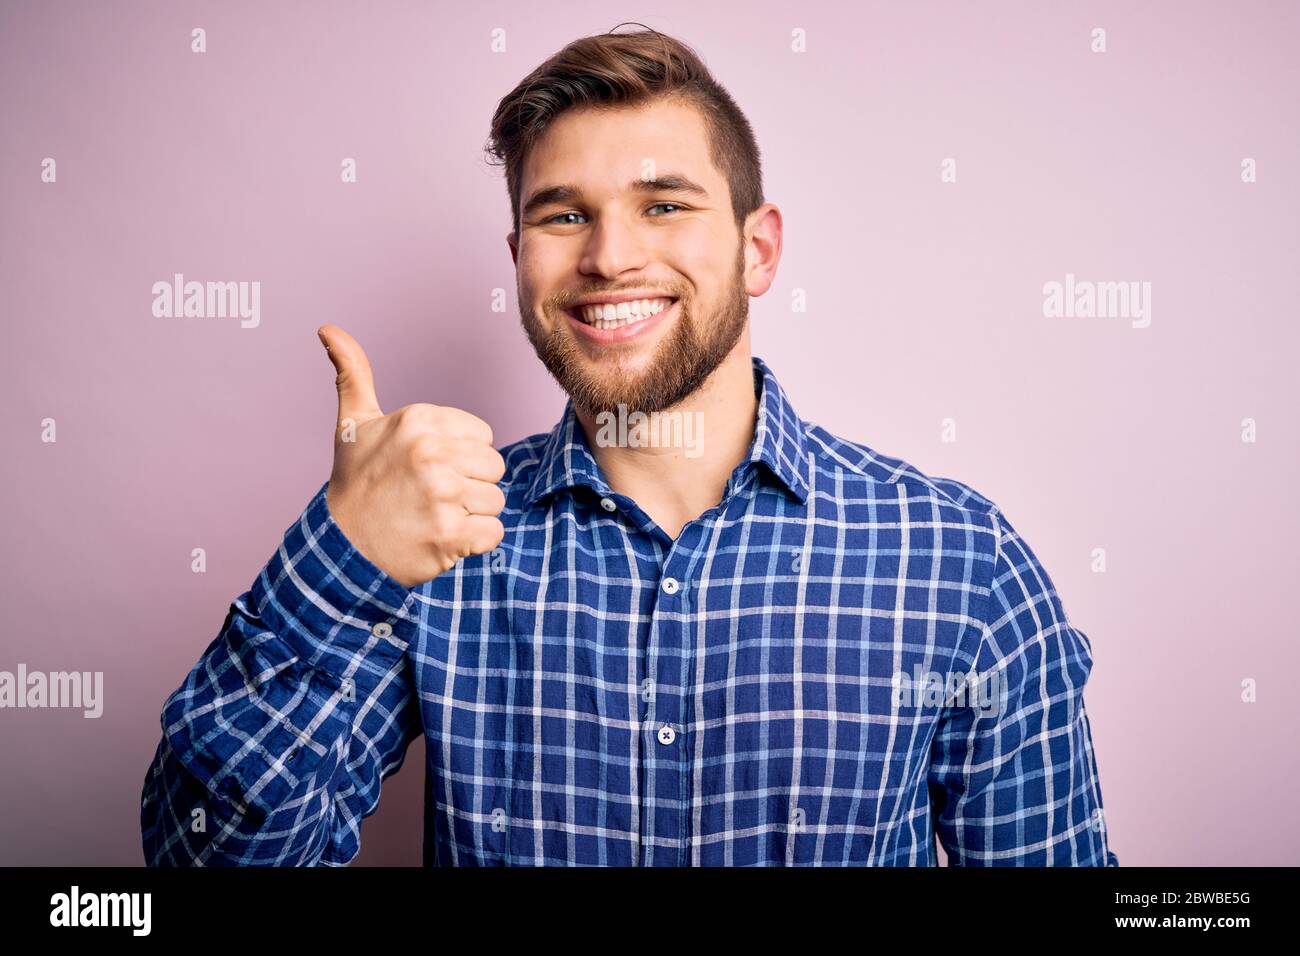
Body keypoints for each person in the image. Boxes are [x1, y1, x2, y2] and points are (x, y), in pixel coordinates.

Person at [140, 25, 1118, 867]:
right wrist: (340, 562)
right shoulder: (427, 543)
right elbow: (200, 852)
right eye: (563, 214)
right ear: (520, 259)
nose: (610, 255)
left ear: (758, 248)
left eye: (664, 205)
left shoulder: (958, 562)